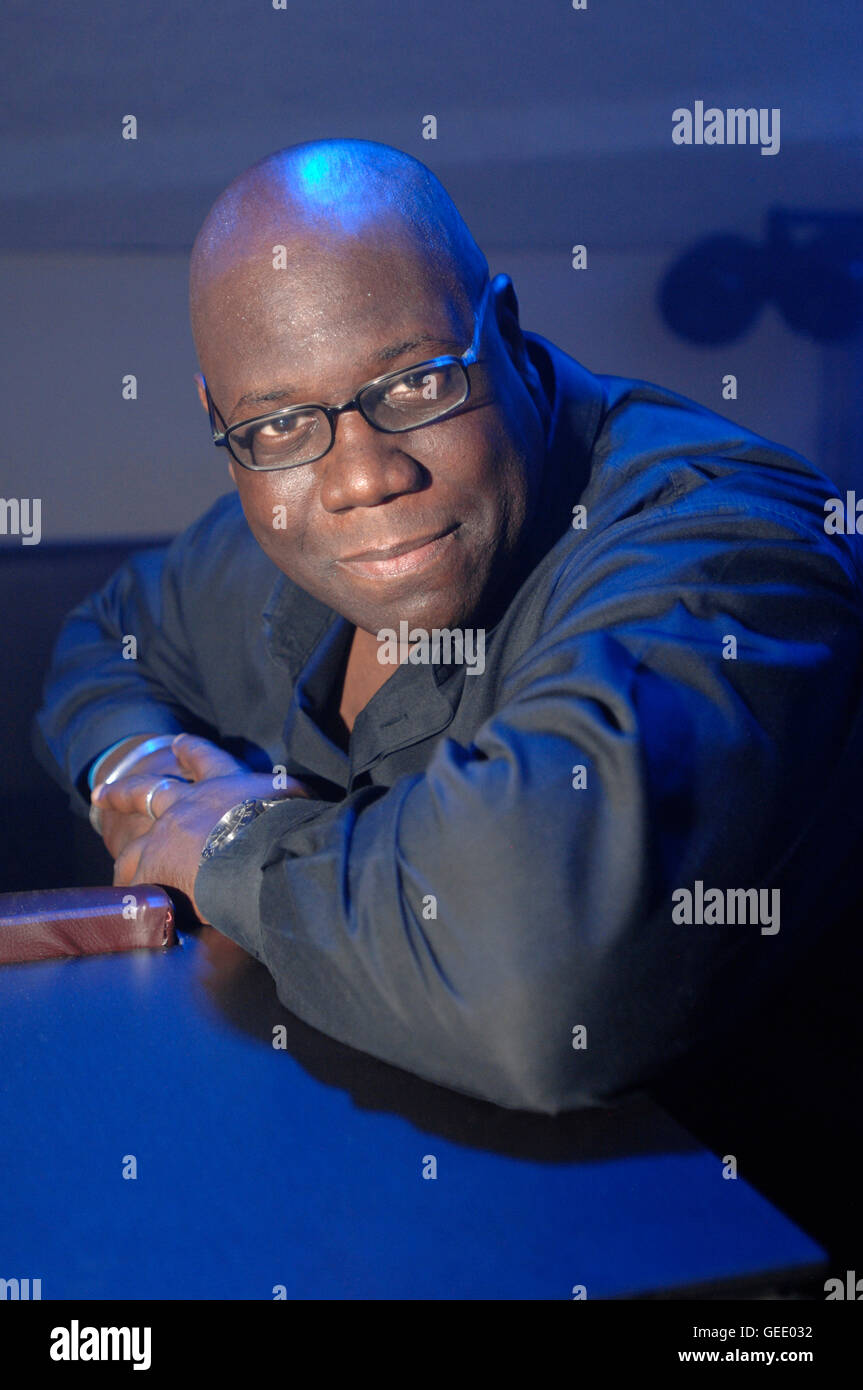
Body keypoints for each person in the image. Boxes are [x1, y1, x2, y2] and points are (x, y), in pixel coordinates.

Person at [33, 138, 863, 1119]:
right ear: (226, 430)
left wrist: (232, 843)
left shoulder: (727, 554)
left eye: (416, 383)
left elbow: (536, 987)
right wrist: (144, 774)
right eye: (277, 427)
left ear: (502, 333)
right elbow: (108, 635)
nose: (361, 476)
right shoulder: (286, 520)